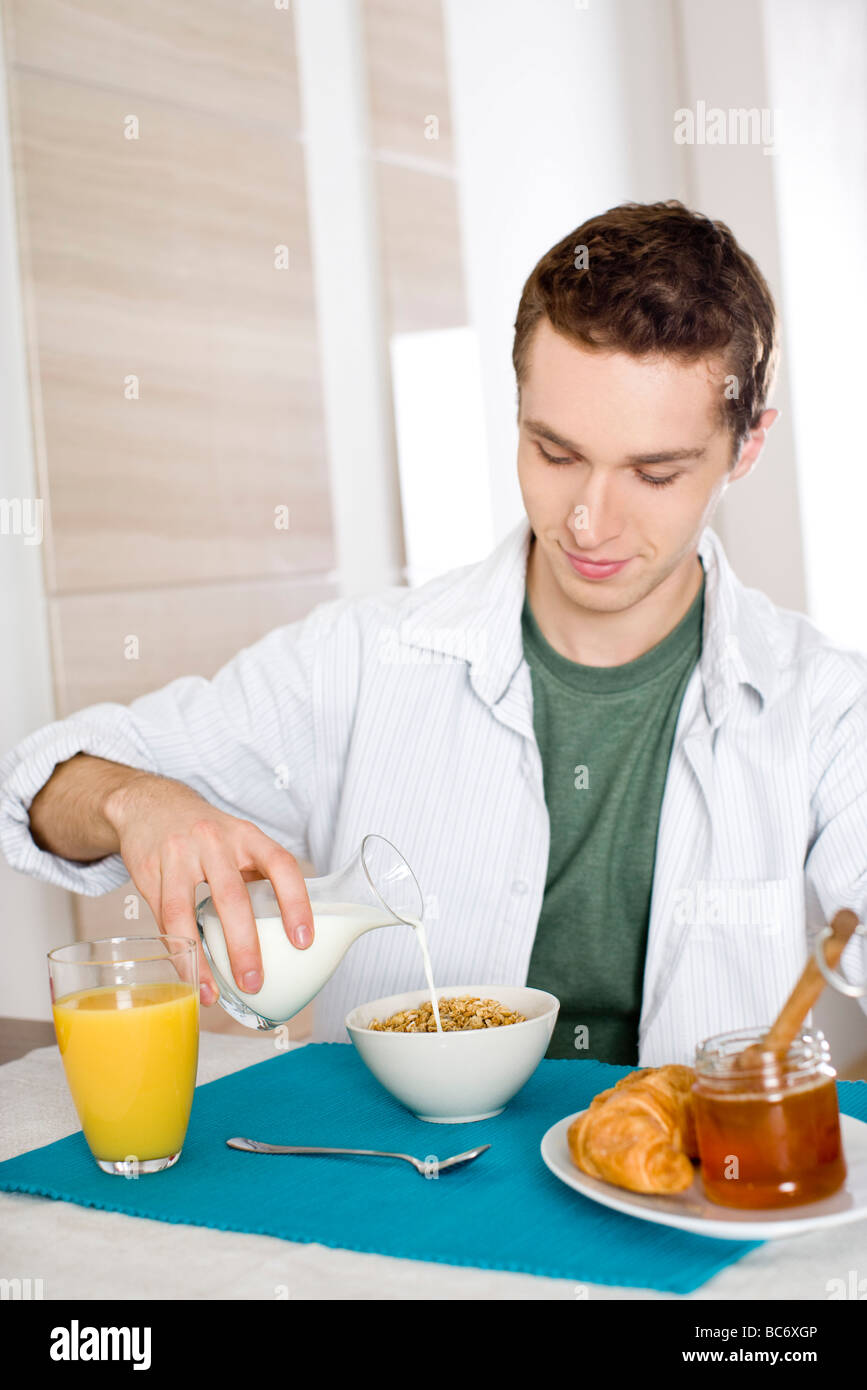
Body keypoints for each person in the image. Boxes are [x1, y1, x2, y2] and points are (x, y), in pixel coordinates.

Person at [2, 200, 865, 1066]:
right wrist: (133, 802)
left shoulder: (823, 707)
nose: (587, 521)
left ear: (746, 446)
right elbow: (36, 790)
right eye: (554, 453)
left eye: (653, 472)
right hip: (395, 1182)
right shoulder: (358, 659)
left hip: (689, 1191)